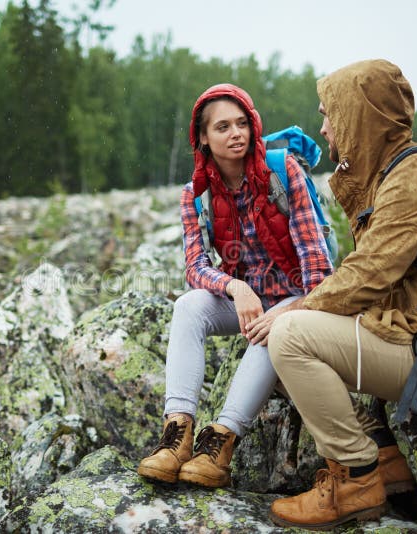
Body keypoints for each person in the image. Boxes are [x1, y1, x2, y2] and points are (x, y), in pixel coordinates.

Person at [265, 59, 417, 529]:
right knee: (289, 325)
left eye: (330, 114)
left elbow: (368, 275)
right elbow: (375, 279)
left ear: (359, 115)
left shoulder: (413, 180)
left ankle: (355, 477)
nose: (324, 127)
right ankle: (386, 455)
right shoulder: (393, 172)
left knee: (289, 336)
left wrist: (297, 307)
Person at [137, 83, 333, 488]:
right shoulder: (195, 194)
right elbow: (195, 266)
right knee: (189, 306)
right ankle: (177, 434)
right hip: (248, 295)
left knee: (269, 330)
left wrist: (292, 310)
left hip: (302, 297)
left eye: (242, 123)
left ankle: (221, 442)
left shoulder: (283, 171)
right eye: (222, 127)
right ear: (203, 137)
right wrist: (235, 288)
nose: (236, 134)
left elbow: (317, 264)